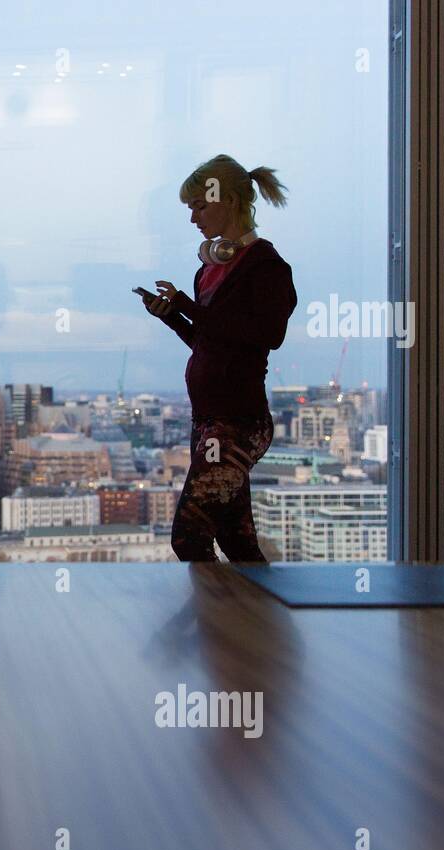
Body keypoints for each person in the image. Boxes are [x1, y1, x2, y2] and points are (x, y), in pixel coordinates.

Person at [140, 154, 297, 563]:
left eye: (199, 206)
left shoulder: (265, 267)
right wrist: (174, 315)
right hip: (209, 421)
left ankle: (222, 624)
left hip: (237, 423)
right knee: (237, 541)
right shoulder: (209, 271)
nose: (194, 219)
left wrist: (192, 308)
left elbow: (267, 335)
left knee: (188, 536)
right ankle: (254, 623)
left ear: (226, 199)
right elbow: (211, 341)